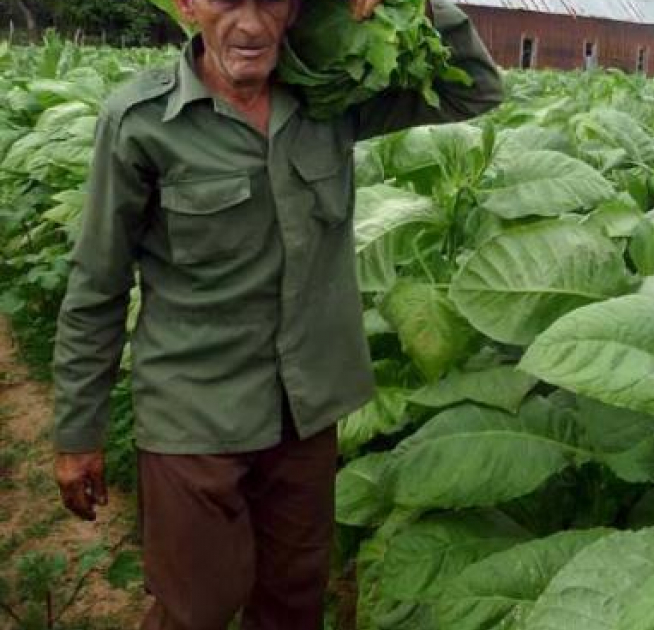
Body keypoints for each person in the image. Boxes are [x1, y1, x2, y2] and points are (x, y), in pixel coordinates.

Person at [50, 0, 502, 627]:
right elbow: (97, 283)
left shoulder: (331, 99)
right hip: (194, 412)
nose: (251, 25)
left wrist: (418, 4)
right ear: (188, 6)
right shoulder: (141, 122)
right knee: (195, 607)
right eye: (228, 1)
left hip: (305, 409)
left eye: (271, 1)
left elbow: (476, 91)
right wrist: (78, 433)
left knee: (292, 601)